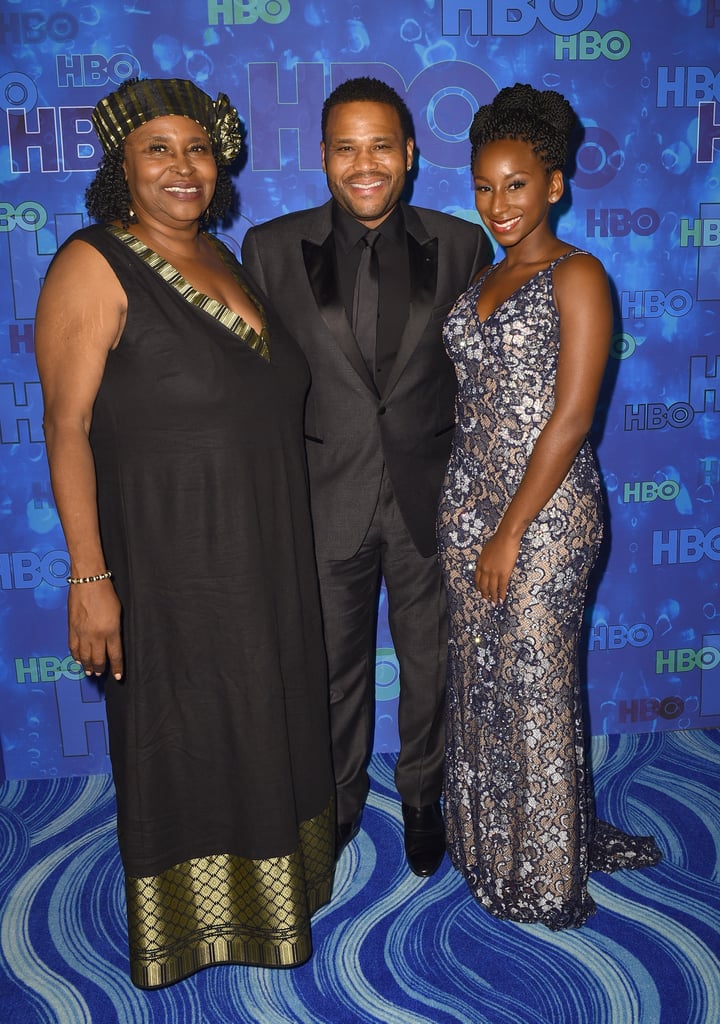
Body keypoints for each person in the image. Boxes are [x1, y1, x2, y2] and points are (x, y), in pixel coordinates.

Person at [34, 77, 335, 988]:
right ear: (122, 166)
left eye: (197, 148)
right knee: (190, 731)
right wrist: (91, 577)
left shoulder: (227, 257)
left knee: (263, 713)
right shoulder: (94, 262)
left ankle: (281, 892)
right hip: (172, 561)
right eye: (158, 149)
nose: (182, 167)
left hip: (263, 553)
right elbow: (66, 426)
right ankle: (199, 925)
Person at [242, 77, 492, 877]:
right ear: (321, 158)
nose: (364, 163)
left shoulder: (461, 246)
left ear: (410, 154)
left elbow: (477, 381)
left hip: (430, 500)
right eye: (345, 147)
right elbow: (257, 385)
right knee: (332, 673)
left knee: (432, 668)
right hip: (325, 500)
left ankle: (423, 799)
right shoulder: (271, 250)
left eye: (380, 144)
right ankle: (339, 799)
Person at [438, 83, 662, 928]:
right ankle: (495, 836)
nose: (499, 204)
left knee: (534, 687)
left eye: (518, 185)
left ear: (556, 185)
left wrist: (507, 532)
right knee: (482, 681)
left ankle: (544, 872)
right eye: (485, 186)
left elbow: (570, 420)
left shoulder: (581, 276)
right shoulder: (486, 273)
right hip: (468, 511)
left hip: (545, 519)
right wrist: (467, 517)